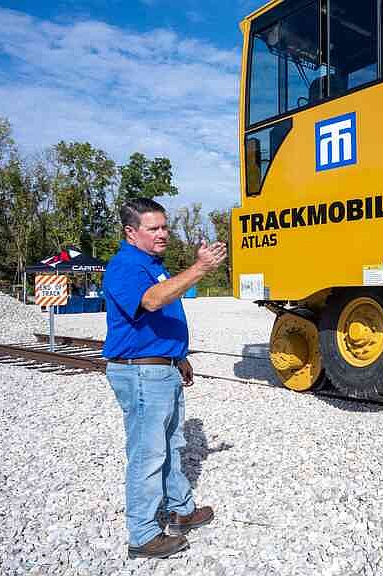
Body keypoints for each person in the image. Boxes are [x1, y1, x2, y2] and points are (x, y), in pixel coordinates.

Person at [102, 198, 227, 559]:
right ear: (130, 232)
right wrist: (200, 269)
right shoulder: (125, 265)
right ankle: (142, 535)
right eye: (153, 228)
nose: (163, 234)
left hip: (161, 367)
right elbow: (153, 302)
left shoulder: (152, 264)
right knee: (148, 453)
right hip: (140, 372)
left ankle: (181, 510)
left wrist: (178, 356)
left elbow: (157, 317)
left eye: (164, 227)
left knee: (171, 445)